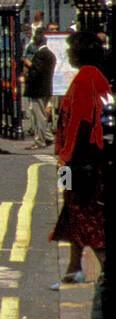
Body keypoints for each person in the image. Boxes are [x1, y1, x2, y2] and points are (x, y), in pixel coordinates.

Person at [48, 31, 107, 292]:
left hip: (79, 162)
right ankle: (73, 270)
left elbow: (79, 123)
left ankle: (104, 271)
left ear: (80, 53)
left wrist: (63, 157)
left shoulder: (86, 78)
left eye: (71, 49)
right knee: (70, 211)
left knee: (84, 214)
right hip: (76, 161)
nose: (68, 53)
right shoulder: (89, 76)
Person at [23, 27, 56, 150]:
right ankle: (48, 137)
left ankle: (39, 141)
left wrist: (28, 65)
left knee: (39, 116)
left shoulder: (41, 54)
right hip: (46, 88)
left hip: (38, 90)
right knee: (40, 115)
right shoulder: (50, 54)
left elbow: (36, 71)